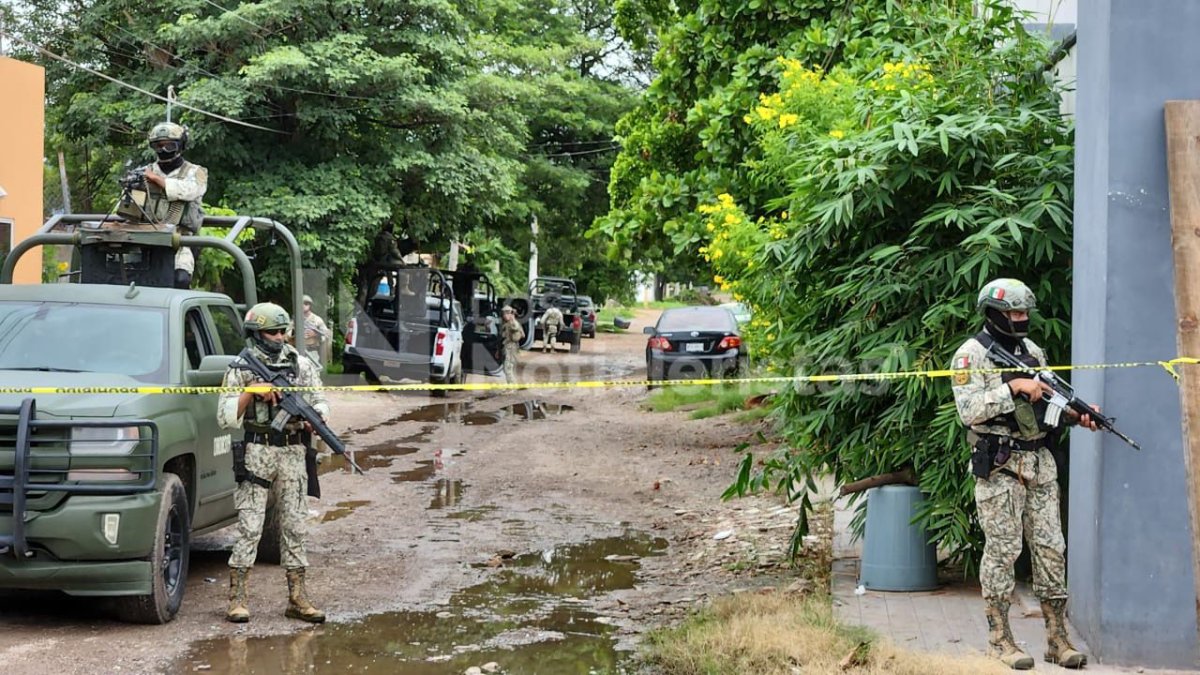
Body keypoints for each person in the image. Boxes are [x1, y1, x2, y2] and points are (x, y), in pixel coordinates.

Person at [950, 279, 1099, 670]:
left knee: (1051, 549)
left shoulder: (1032, 351)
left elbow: (1047, 400)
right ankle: (1000, 640)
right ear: (994, 313)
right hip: (1000, 467)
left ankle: (1057, 639)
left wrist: (1077, 415)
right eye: (1014, 313)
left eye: (1024, 313)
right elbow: (969, 411)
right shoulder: (970, 355)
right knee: (1002, 551)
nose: (1021, 319)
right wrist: (1012, 388)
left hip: (1039, 464)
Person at [217, 302, 329, 625]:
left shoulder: (300, 364)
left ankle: (298, 598)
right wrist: (251, 392)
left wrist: (316, 418)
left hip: (293, 452)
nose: (280, 337)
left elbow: (320, 400)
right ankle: (237, 599)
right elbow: (225, 417)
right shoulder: (241, 367)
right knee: (250, 526)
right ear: (256, 333)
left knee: (295, 525)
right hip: (258, 452)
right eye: (273, 332)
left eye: (283, 331)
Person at [139, 122, 207, 289]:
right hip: (147, 240)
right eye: (158, 146)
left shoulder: (195, 172)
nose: (163, 150)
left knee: (180, 279)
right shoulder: (145, 171)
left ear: (180, 145)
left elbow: (190, 191)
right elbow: (128, 205)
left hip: (180, 241)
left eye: (169, 145)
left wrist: (157, 180)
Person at [301, 295, 331, 367]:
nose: (303, 306)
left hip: (312, 352)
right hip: (299, 350)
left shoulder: (317, 319)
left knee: (313, 370)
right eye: (302, 303)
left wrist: (315, 334)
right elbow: (287, 334)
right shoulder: (296, 319)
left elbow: (327, 334)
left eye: (306, 304)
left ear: (310, 306)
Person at [500, 305, 524, 385]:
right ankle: (511, 384)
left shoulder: (513, 323)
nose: (504, 316)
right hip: (508, 346)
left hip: (511, 347)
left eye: (505, 314)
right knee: (506, 368)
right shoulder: (507, 323)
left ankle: (512, 385)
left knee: (508, 367)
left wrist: (512, 319)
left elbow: (516, 328)